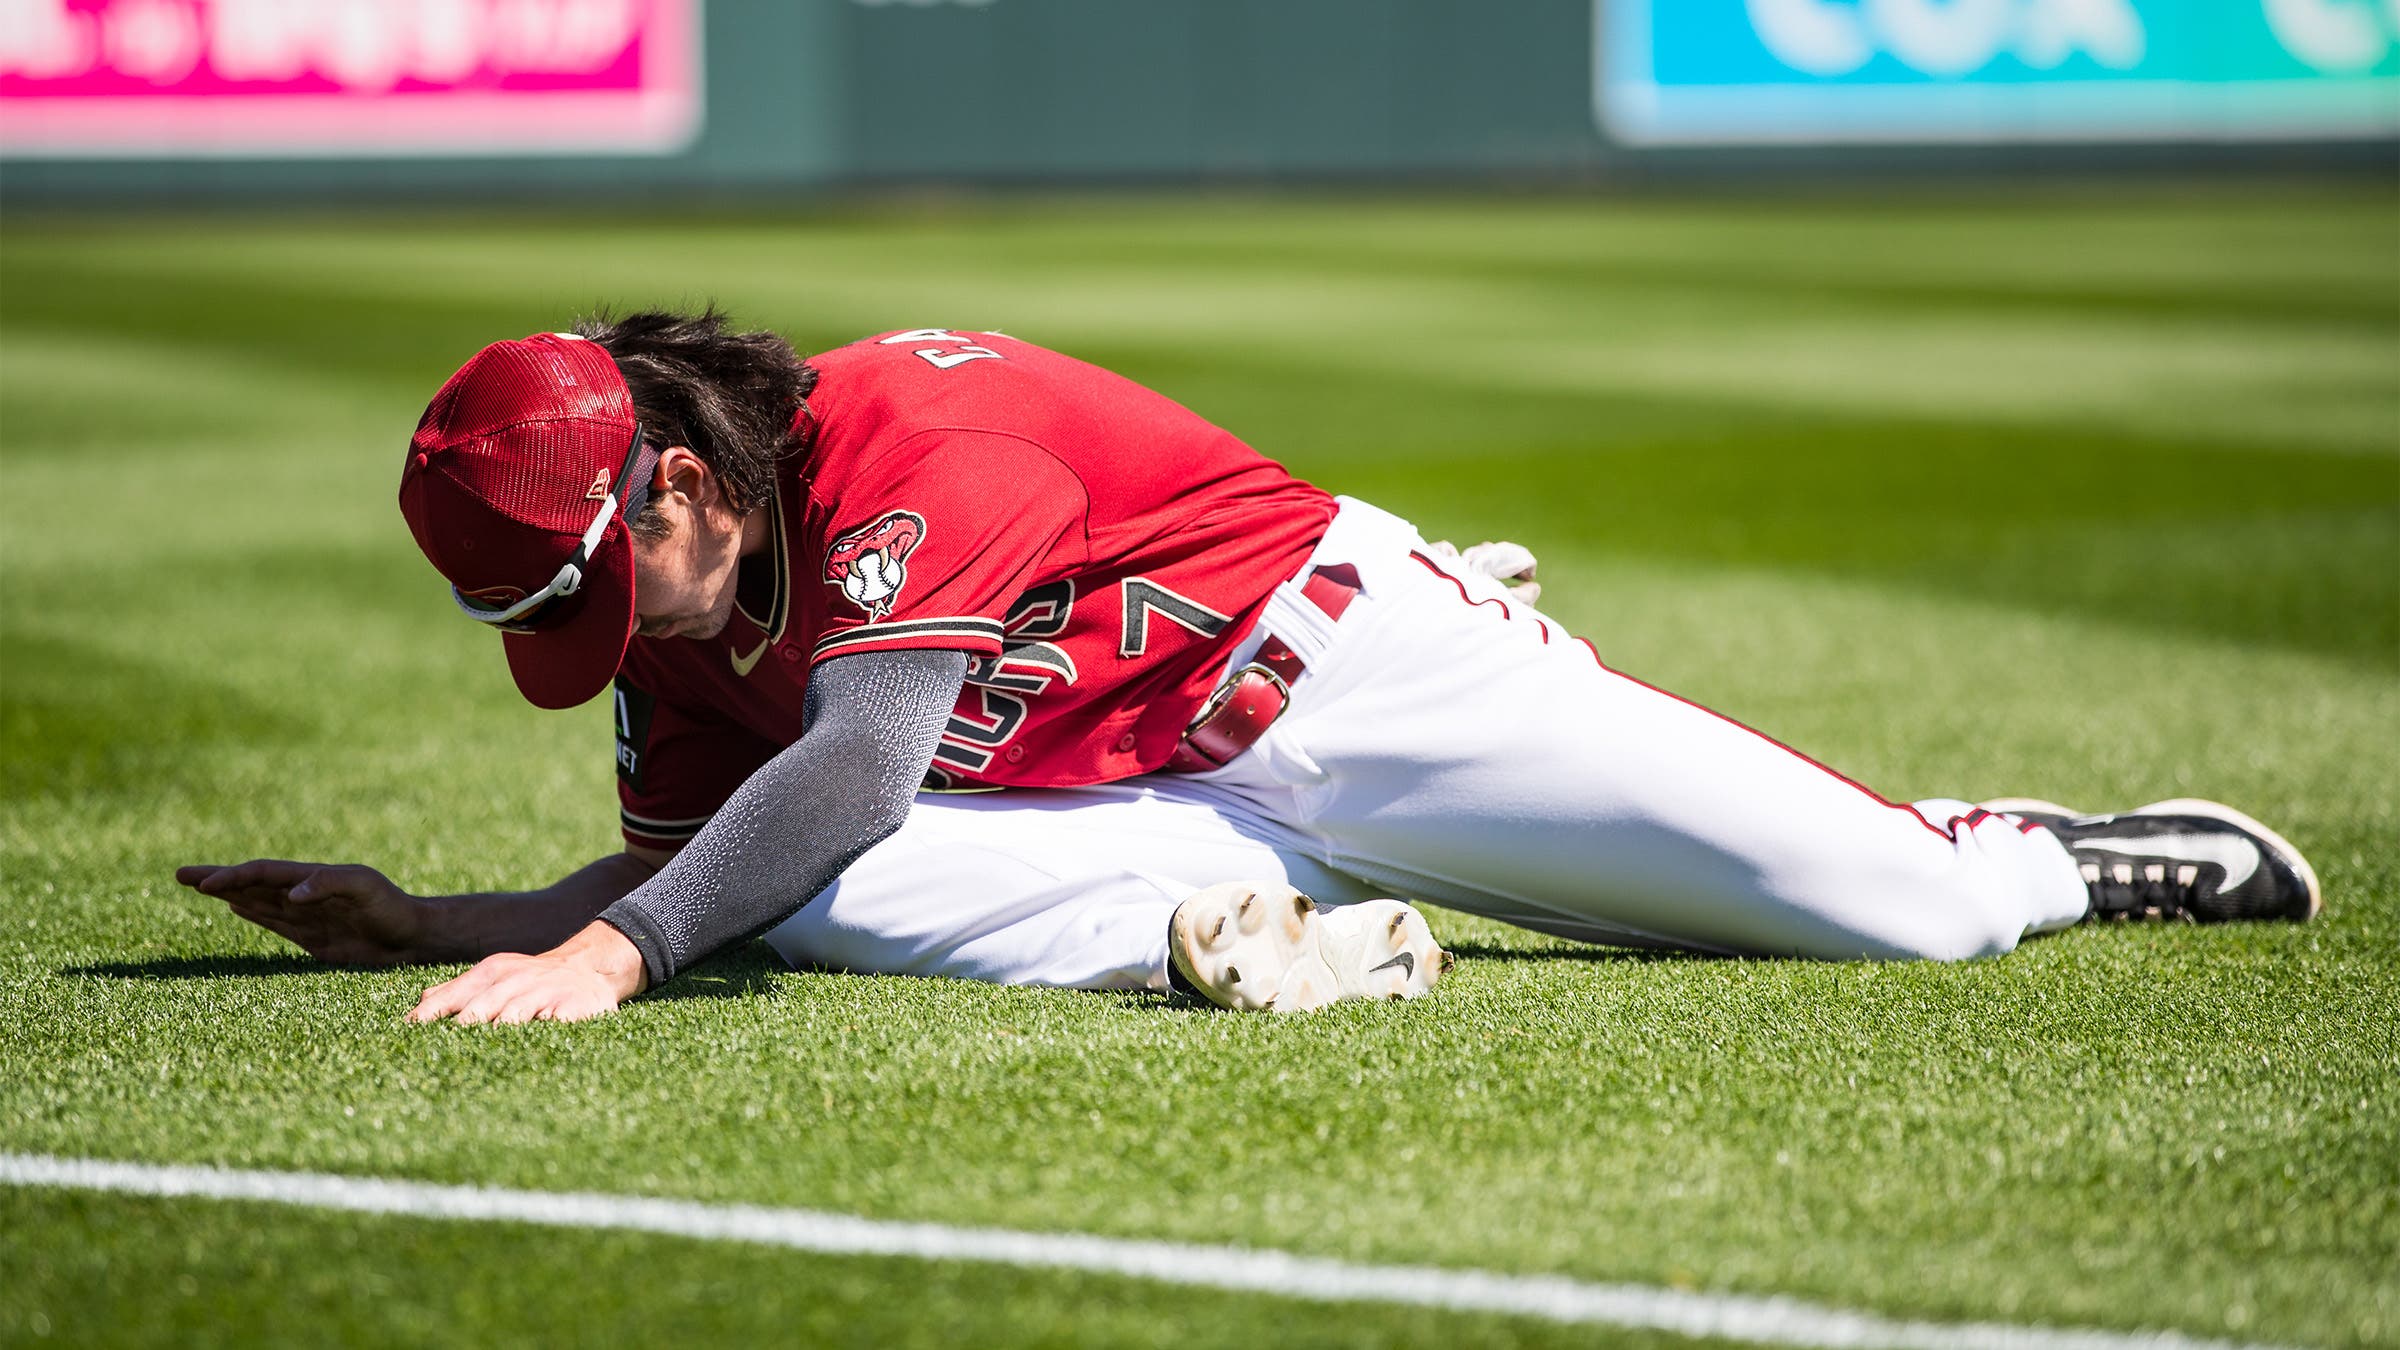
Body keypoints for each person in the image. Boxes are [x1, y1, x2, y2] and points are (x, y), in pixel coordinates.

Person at [176, 311, 2322, 1024]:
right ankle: (1235, 945)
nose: (598, 647)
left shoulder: (914, 441)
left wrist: (613, 956)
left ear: (664, 486)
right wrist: (428, 928)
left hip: (1358, 682)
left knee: (1906, 922)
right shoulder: (678, 633)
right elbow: (747, 854)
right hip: (1148, 810)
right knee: (787, 887)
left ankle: (2046, 851)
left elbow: (853, 764)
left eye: (583, 593)